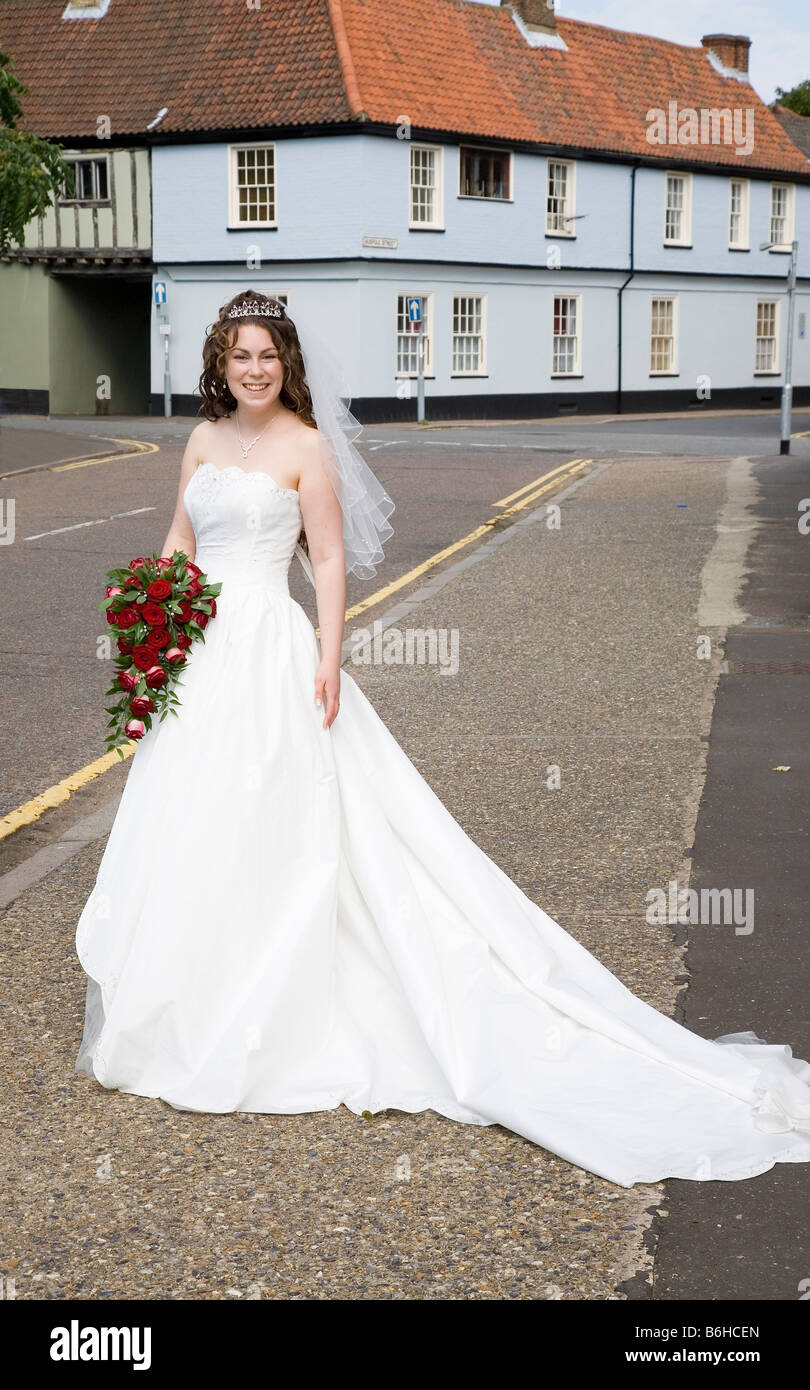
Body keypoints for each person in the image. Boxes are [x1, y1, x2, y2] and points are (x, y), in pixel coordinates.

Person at [74, 290, 810, 1189]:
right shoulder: (200, 442)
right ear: (220, 365)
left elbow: (331, 559)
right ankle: (186, 992)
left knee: (275, 808)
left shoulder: (306, 447)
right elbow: (182, 537)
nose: (254, 369)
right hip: (203, 652)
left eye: (267, 355)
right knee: (193, 815)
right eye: (240, 356)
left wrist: (330, 657)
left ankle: (274, 1000)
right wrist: (153, 610)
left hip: (271, 643)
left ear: (286, 362)